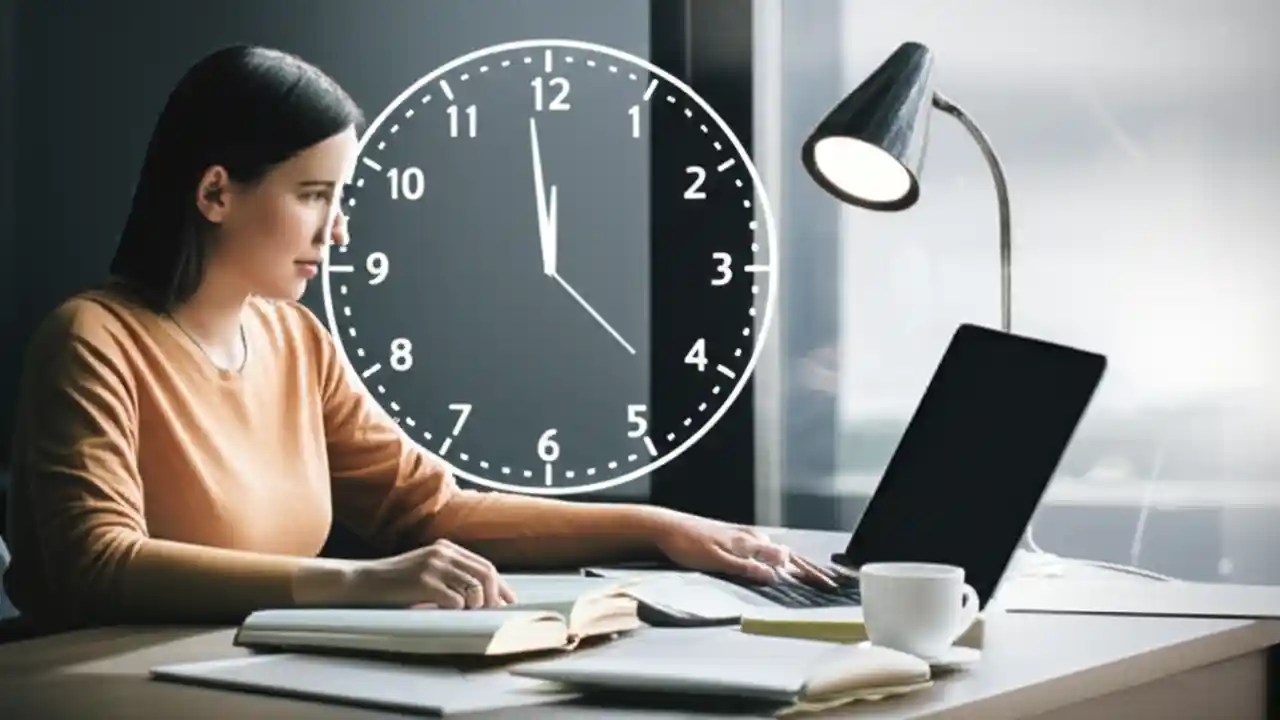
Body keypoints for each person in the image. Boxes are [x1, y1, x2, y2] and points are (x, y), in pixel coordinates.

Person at [2, 45, 832, 633]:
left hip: (257, 670)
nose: (338, 230)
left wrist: (658, 527)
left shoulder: (296, 340)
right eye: (315, 194)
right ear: (215, 192)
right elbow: (98, 564)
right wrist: (358, 583)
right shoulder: (93, 341)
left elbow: (427, 508)